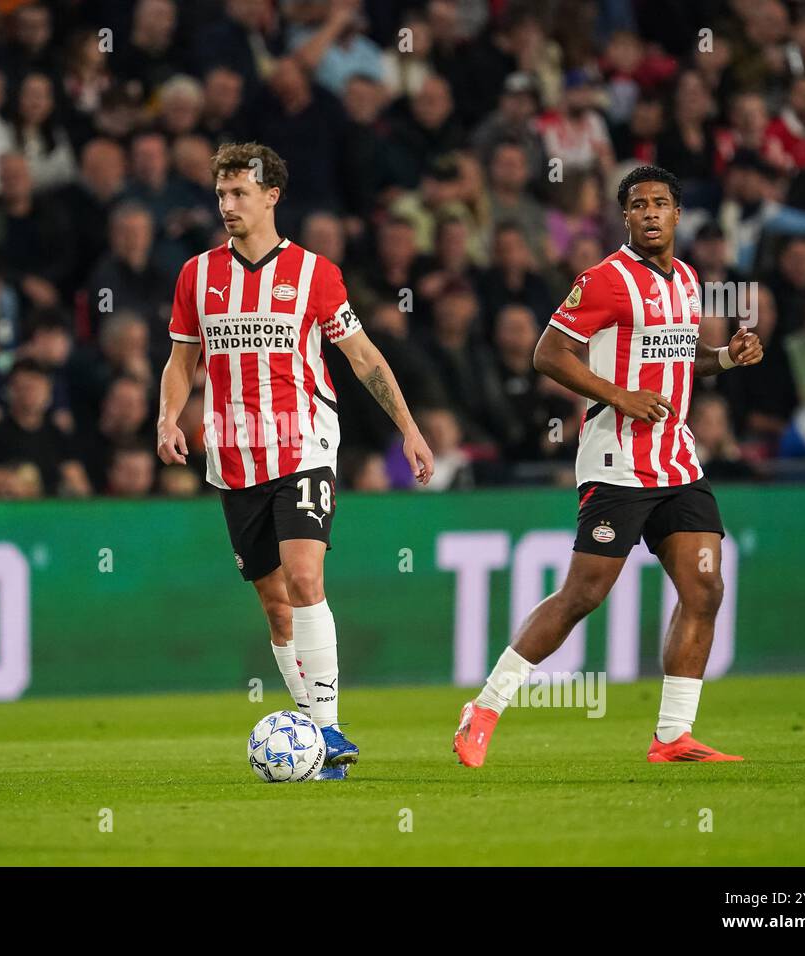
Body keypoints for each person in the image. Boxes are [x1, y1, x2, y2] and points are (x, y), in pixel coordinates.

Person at [452, 165, 764, 768]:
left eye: (661, 203)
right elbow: (548, 353)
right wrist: (617, 395)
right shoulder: (604, 280)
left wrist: (723, 358)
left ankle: (673, 735)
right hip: (617, 460)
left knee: (705, 587)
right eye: (639, 204)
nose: (650, 213)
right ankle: (485, 705)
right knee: (583, 594)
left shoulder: (686, 280)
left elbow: (670, 358)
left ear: (677, 214)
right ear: (625, 216)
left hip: (677, 461)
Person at [156, 142, 435, 780]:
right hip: (232, 455)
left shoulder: (316, 274)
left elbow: (363, 357)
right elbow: (181, 360)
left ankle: (329, 726)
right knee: (275, 603)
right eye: (221, 194)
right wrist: (169, 417)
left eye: (239, 194)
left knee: (305, 577)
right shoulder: (196, 276)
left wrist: (409, 430)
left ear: (271, 196)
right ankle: (314, 732)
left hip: (304, 444)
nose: (227, 206)